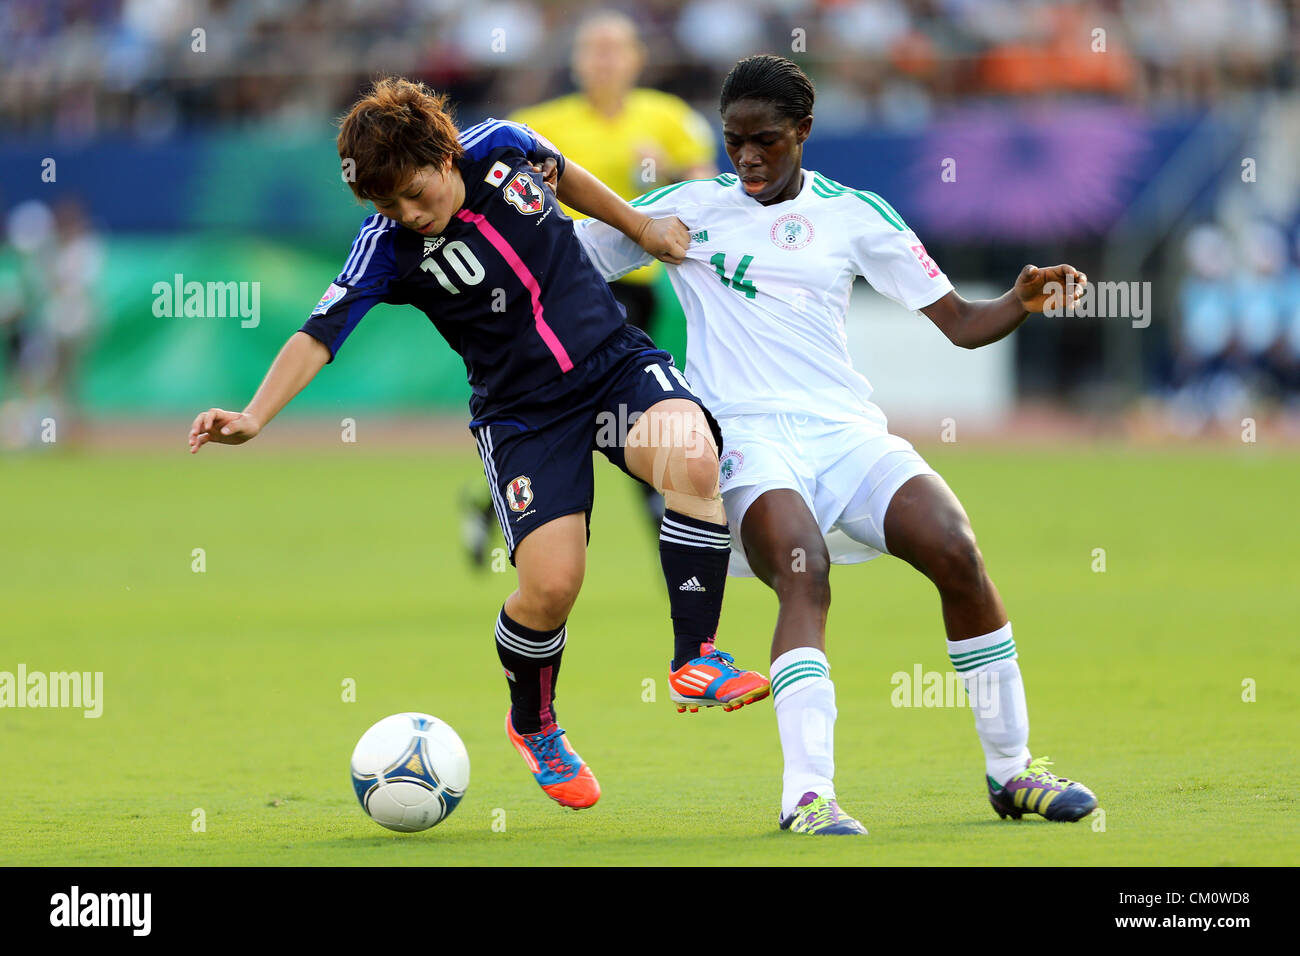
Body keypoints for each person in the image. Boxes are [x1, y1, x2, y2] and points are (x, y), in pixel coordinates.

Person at [187, 77, 768, 811]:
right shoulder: (387, 248)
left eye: (411, 193)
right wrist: (254, 415)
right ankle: (534, 724)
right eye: (386, 204)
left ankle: (696, 656)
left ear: (442, 154)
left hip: (613, 363)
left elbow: (569, 177)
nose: (406, 214)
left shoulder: (502, 145)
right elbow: (319, 331)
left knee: (691, 454)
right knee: (552, 587)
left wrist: (643, 228)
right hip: (523, 418)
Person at [572, 55, 1099, 833]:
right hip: (745, 437)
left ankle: (1013, 772)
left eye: (767, 140)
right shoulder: (686, 206)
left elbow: (958, 323)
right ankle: (808, 796)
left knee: (957, 551)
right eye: (734, 140)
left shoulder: (858, 215)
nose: (748, 156)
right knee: (803, 572)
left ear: (805, 134)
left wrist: (1018, 301)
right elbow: (571, 259)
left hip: (846, 432)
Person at [460, 10, 719, 565]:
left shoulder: (667, 117)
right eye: (593, 49)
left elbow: (708, 189)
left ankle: (498, 504)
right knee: (605, 403)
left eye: (614, 48)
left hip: (635, 286)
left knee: (596, 403)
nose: (603, 60)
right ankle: (659, 513)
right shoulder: (539, 121)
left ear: (636, 59)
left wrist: (667, 166)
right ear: (577, 61)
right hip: (558, 288)